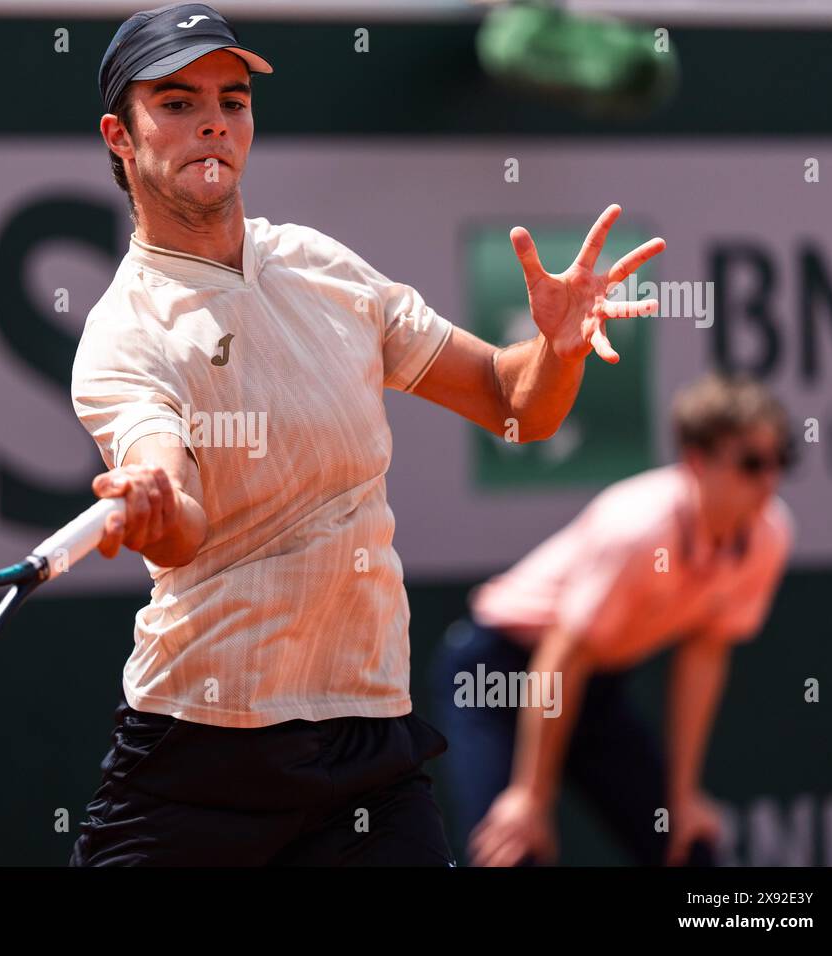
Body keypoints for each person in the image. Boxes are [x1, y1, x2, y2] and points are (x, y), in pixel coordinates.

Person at [69, 1, 664, 866]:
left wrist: (559, 349)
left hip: (365, 742)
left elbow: (513, 402)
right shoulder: (125, 333)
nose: (212, 123)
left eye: (232, 101)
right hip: (203, 746)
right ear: (120, 137)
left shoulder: (322, 266)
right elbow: (183, 514)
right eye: (176, 101)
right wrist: (155, 497)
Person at [432, 372, 794, 866]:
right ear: (696, 462)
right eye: (752, 463)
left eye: (780, 461)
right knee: (510, 852)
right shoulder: (638, 528)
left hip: (590, 687)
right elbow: (561, 654)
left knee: (685, 849)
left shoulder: (768, 535)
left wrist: (682, 796)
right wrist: (531, 798)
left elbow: (705, 654)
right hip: (496, 677)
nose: (769, 480)